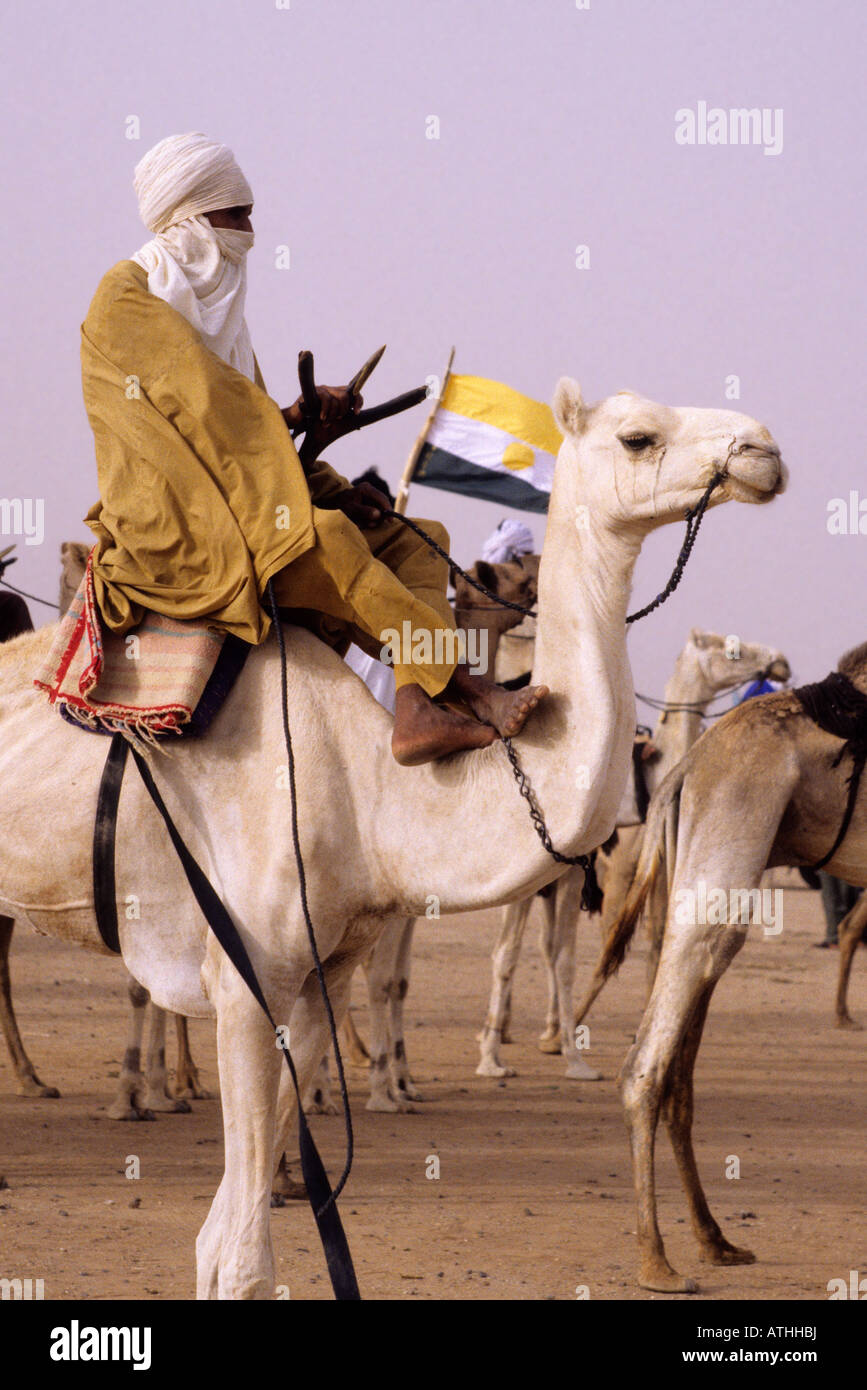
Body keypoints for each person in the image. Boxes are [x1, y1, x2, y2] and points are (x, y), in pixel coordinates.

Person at [80, 133, 546, 765]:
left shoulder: (222, 318)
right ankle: (472, 688)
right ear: (191, 217)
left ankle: (414, 710)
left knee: (415, 535)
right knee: (331, 537)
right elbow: (214, 421)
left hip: (244, 512)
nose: (250, 230)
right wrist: (296, 416)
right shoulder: (127, 298)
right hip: (176, 531)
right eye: (236, 215)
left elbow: (248, 447)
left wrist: (326, 468)